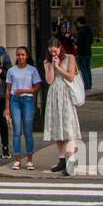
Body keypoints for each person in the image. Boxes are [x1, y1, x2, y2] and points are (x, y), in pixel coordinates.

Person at [42, 37, 81, 175]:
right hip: (54, 94)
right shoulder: (47, 62)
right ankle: (61, 160)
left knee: (68, 126)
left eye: (56, 51)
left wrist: (59, 67)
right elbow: (49, 80)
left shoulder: (70, 58)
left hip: (66, 92)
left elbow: (70, 76)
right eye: (51, 52)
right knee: (57, 127)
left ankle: (71, 160)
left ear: (60, 49)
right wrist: (52, 66)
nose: (54, 54)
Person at [6, 46, 43, 170]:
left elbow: (37, 87)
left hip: (27, 100)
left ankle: (29, 159)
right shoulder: (11, 71)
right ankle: (17, 159)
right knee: (16, 130)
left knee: (28, 130)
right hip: (15, 101)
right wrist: (6, 108)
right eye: (18, 55)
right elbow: (8, 90)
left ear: (27, 56)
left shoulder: (32, 70)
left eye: (23, 55)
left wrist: (24, 91)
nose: (20, 57)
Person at [74, 16, 94, 91]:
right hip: (88, 51)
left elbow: (79, 43)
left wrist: (74, 41)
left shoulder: (81, 31)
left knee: (83, 69)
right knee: (88, 68)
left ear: (79, 23)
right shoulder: (89, 30)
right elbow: (91, 40)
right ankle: (89, 84)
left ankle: (86, 85)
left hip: (81, 52)